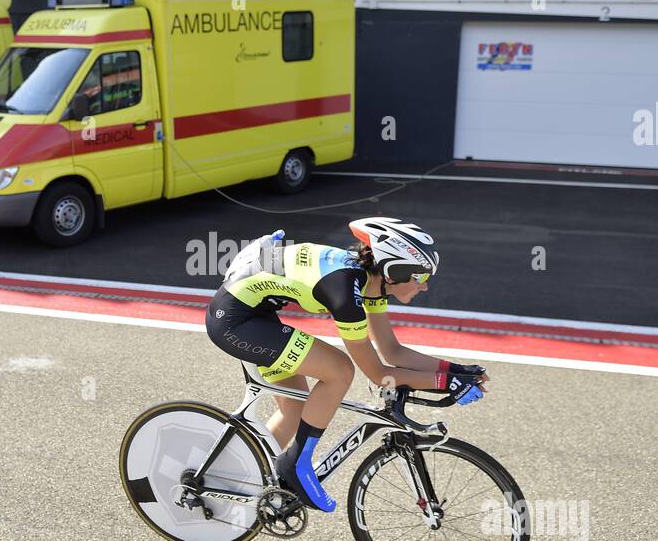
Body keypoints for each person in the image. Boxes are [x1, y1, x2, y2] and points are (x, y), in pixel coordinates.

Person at [205, 217, 487, 512]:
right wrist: (444, 383)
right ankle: (296, 465)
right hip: (236, 323)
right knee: (340, 370)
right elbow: (380, 374)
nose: (425, 286)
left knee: (296, 411)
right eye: (420, 277)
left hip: (254, 315)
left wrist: (456, 371)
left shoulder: (373, 283)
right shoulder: (345, 289)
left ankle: (241, 480)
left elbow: (392, 352)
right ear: (395, 271)